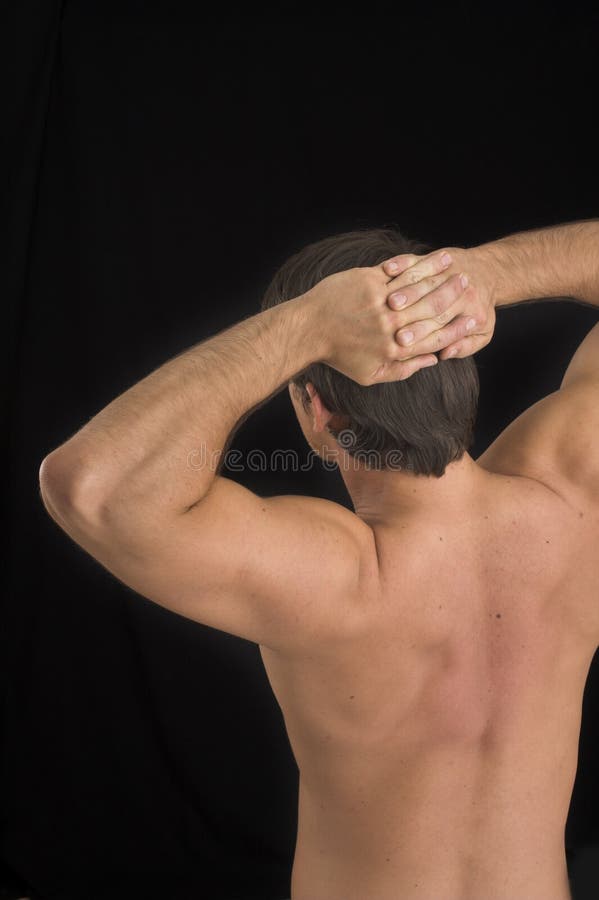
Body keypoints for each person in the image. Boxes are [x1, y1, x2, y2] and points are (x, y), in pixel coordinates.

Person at [39, 219, 599, 900]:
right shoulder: (574, 499)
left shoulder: (334, 581)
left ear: (312, 408)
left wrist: (304, 327)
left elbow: (92, 488)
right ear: (458, 353)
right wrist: (479, 275)